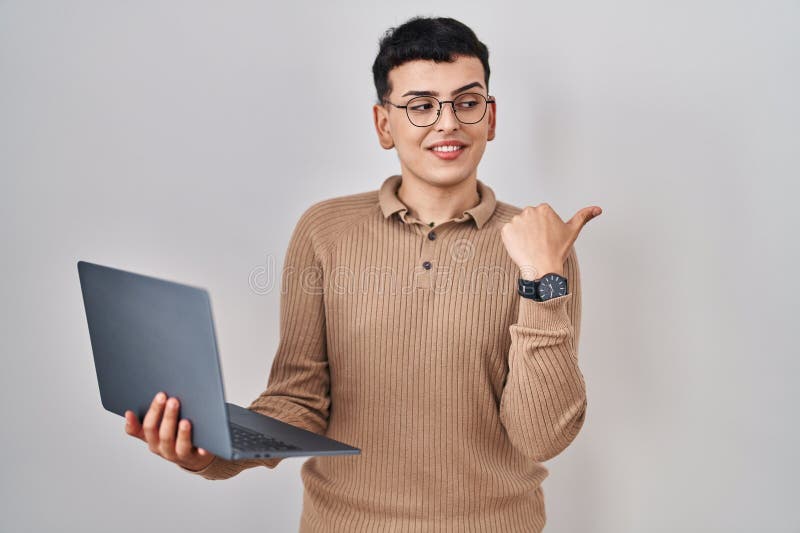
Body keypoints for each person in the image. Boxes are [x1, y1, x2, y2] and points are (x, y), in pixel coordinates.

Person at [124, 15, 602, 532]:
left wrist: (542, 278)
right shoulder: (325, 229)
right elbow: (299, 399)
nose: (447, 123)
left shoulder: (542, 245)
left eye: (467, 102)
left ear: (490, 117)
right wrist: (213, 453)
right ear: (383, 124)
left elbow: (541, 438)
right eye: (420, 106)